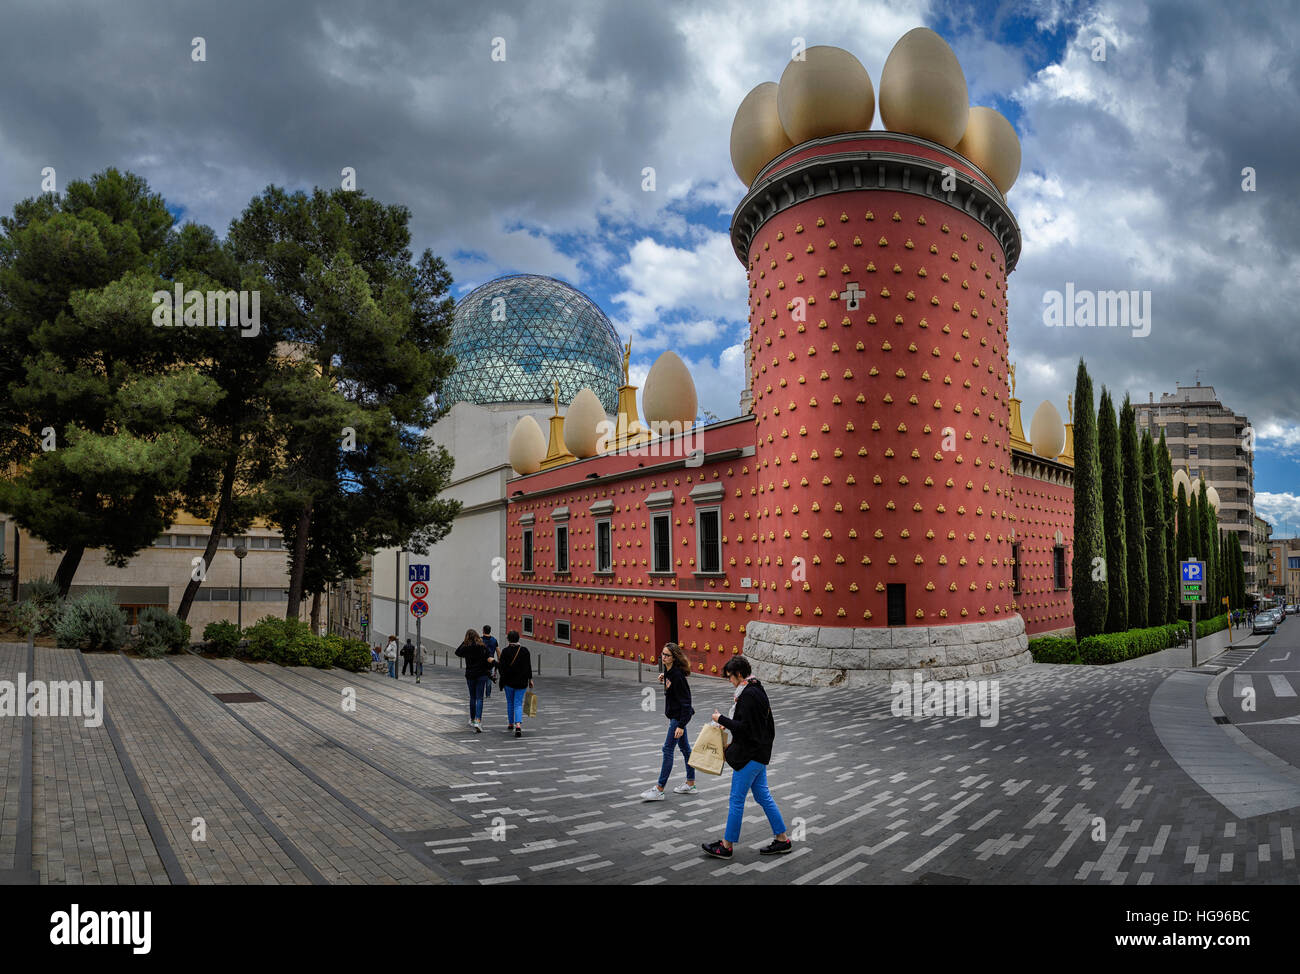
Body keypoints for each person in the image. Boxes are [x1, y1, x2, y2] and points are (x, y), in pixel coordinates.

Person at [702, 656, 792, 860]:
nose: (730, 682)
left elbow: (744, 728)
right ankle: (782, 839)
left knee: (736, 800)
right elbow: (753, 725)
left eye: (730, 678)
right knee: (762, 796)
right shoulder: (756, 687)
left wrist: (720, 719)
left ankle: (726, 846)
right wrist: (729, 723)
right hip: (760, 754)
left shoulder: (748, 694)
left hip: (750, 756)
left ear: (739, 674)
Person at [640, 643, 696, 800]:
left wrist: (681, 725)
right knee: (685, 749)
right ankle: (691, 783)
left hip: (678, 718)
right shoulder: (669, 672)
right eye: (662, 654)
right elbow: (672, 692)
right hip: (675, 717)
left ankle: (659, 789)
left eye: (667, 655)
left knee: (667, 749)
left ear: (674, 657)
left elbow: (686, 703)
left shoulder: (677, 676)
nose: (663, 657)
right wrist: (665, 680)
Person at [455, 629, 495, 732]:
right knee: (479, 698)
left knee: (472, 697)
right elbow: (489, 658)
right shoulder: (482, 646)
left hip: (470, 675)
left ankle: (472, 719)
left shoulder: (466, 647)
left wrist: (464, 642)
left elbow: (457, 652)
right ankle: (478, 721)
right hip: (482, 674)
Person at [496, 630, 533, 738]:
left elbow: (501, 668)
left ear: (508, 639)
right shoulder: (524, 651)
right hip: (521, 682)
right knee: (518, 703)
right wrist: (530, 679)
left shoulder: (505, 651)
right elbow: (528, 666)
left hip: (508, 683)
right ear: (518, 639)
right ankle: (518, 725)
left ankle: (510, 723)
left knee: (510, 703)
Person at [481, 625, 499, 698]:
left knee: (481, 677)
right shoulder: (494, 640)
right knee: (489, 678)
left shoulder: (480, 640)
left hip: (481, 662)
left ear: (483, 630)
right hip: (491, 661)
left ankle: (480, 693)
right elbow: (498, 651)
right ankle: (488, 695)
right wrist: (498, 661)